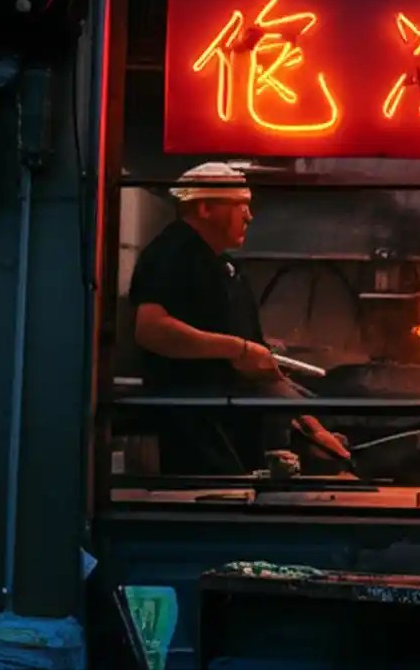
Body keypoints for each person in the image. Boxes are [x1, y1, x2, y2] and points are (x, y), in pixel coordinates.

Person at [128, 161, 351, 475]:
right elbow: (151, 329)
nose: (250, 215)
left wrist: (312, 428)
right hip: (195, 423)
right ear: (205, 208)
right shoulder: (170, 254)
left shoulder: (227, 269)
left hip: (234, 420)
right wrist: (239, 349)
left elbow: (261, 366)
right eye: (241, 205)